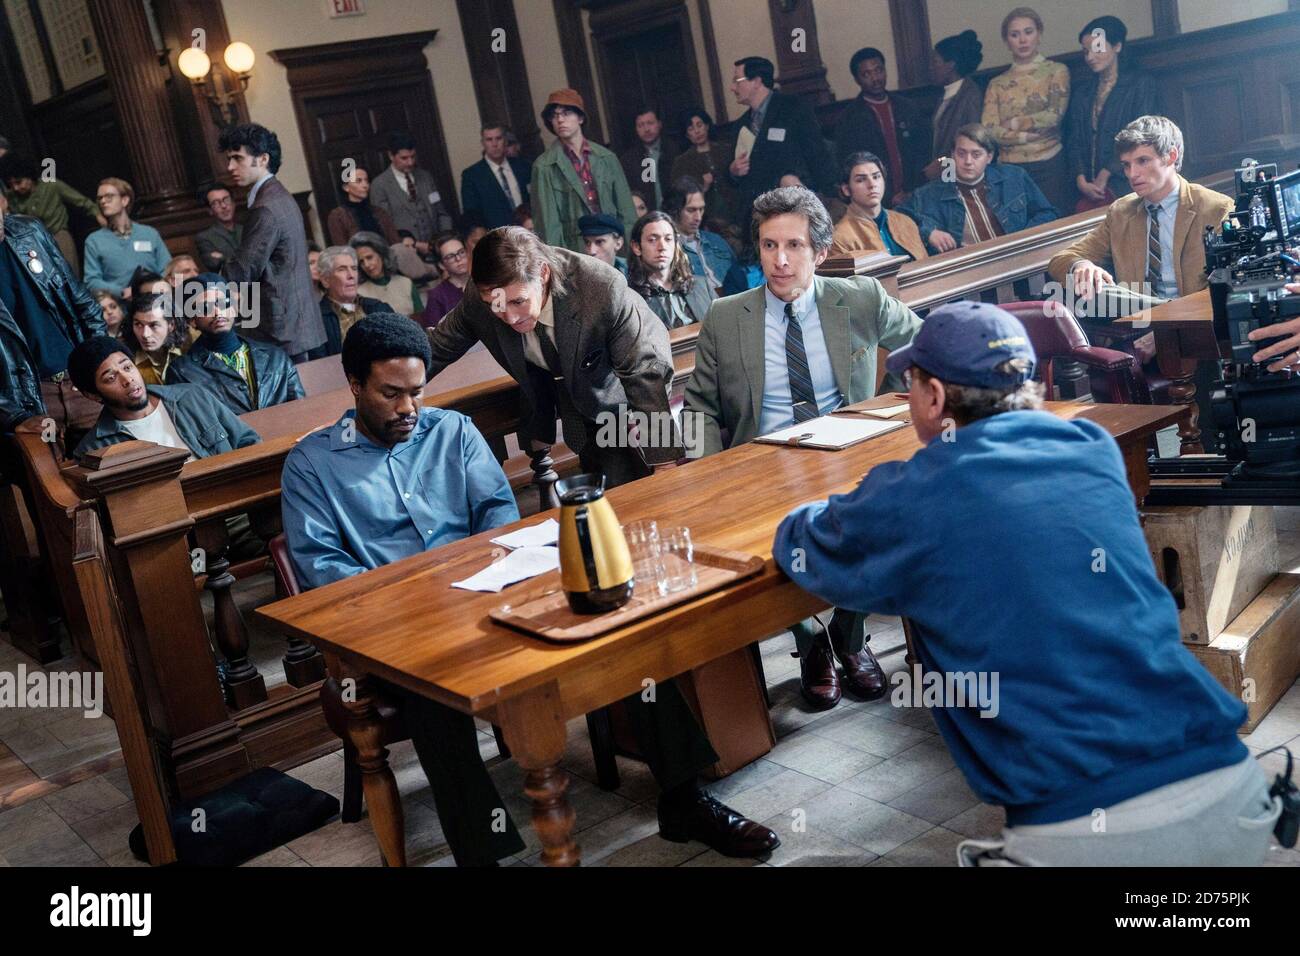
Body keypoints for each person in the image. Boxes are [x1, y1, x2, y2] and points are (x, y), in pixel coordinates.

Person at [773, 301, 1280, 866]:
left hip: (1093, 832)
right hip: (1231, 784)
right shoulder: (1090, 449)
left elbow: (806, 545)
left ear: (935, 398)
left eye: (910, 385)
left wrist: (836, 504)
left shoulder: (916, 493)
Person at [284, 313, 780, 865]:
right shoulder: (313, 464)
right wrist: (420, 602)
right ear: (354, 386)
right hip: (395, 635)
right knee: (432, 700)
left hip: (489, 599)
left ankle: (684, 799)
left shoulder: (452, 432)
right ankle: (483, 856)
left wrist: (480, 577)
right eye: (391, 394)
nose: (409, 409)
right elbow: (321, 570)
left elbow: (499, 520)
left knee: (612, 633)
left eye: (418, 392)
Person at [683, 186, 922, 709]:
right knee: (770, 549)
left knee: (880, 520)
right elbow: (699, 405)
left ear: (819, 250)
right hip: (761, 463)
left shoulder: (859, 298)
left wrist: (911, 404)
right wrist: (705, 474)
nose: (781, 260)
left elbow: (926, 346)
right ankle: (814, 645)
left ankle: (849, 639)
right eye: (769, 246)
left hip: (849, 452)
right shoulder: (727, 316)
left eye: (793, 245)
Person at [427, 225, 679, 486]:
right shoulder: (480, 297)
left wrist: (664, 464)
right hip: (567, 392)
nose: (510, 317)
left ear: (543, 273)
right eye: (497, 306)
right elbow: (437, 347)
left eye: (518, 301)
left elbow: (643, 372)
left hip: (624, 385)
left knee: (629, 484)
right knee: (598, 487)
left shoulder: (600, 287)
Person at [1049, 116, 1233, 305]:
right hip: (1139, 323)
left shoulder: (1217, 209)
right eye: (1126, 165)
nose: (1132, 174)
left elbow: (1229, 286)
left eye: (1143, 161)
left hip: (1199, 321)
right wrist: (1081, 265)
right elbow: (1060, 260)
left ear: (1171, 156)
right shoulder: (1121, 212)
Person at [218, 123, 326, 363]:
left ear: (263, 158)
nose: (230, 167)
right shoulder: (278, 195)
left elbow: (243, 270)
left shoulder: (266, 206)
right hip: (291, 323)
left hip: (279, 328)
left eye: (237, 158)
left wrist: (209, 285)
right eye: (228, 159)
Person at [0, 204, 105, 440]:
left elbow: (80, 298)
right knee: (51, 475)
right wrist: (13, 415)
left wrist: (99, 360)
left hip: (80, 380)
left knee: (123, 463)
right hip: (28, 399)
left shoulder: (30, 230)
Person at [69, 335, 259, 460]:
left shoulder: (191, 396)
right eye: (111, 378)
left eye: (127, 367)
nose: (127, 379)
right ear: (93, 395)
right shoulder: (94, 450)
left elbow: (248, 441)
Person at [900, 124, 1056, 254]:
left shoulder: (1014, 177)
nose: (968, 161)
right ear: (952, 155)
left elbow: (1048, 213)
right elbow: (894, 219)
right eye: (961, 154)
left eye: (976, 155)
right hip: (966, 275)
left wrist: (1024, 238)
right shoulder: (929, 194)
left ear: (989, 157)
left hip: (1018, 260)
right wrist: (928, 233)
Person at [165, 274, 304, 414]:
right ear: (191, 321)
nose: (217, 312)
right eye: (205, 308)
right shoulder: (182, 371)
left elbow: (302, 411)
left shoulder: (275, 357)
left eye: (223, 303)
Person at [982, 7, 1072, 214]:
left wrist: (1012, 124)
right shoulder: (997, 83)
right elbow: (989, 130)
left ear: (1039, 34)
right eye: (1015, 34)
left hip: (1049, 165)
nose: (1022, 40)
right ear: (1007, 41)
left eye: (1028, 32)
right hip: (1009, 168)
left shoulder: (1056, 71)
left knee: (1055, 225)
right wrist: (1026, 136)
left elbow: (1053, 117)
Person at [1065, 16, 1158, 209]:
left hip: (1129, 180)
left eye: (1097, 48)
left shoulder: (1140, 84)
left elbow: (1142, 134)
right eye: (1085, 51)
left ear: (1117, 46)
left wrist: (1106, 173)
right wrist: (1080, 179)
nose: (1090, 57)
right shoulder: (1083, 92)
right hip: (1089, 188)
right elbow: (1074, 139)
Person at [723, 57, 836, 216]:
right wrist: (733, 171)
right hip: (759, 212)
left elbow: (817, 153)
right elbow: (730, 176)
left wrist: (829, 193)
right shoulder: (740, 125)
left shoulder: (792, 108)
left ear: (756, 81)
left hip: (796, 204)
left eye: (737, 80)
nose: (732, 87)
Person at [530, 89, 638, 253]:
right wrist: (562, 264)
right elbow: (548, 226)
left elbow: (627, 212)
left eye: (566, 113)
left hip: (613, 247)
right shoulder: (544, 166)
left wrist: (630, 254)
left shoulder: (606, 158)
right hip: (576, 251)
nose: (560, 119)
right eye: (554, 115)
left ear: (580, 117)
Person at [833, 48, 931, 202]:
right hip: (876, 200)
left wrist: (910, 189)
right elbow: (849, 165)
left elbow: (923, 151)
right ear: (857, 80)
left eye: (879, 70)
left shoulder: (907, 107)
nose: (875, 78)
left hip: (915, 193)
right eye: (867, 74)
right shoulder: (850, 118)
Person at [1, 153, 104, 274]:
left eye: (19, 182)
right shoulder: (12, 197)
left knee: (69, 274)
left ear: (29, 176)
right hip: (33, 244)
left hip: (58, 236)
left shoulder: (51, 186)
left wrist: (99, 215)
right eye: (11, 184)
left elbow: (82, 202)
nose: (16, 188)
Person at [831, 151, 928, 261]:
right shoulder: (840, 238)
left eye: (876, 177)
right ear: (846, 190)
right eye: (861, 180)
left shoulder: (905, 222)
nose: (872, 185)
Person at [83, 177, 170, 297]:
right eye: (99, 198)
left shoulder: (149, 234)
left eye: (109, 196)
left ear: (124, 200)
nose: (103, 201)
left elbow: (167, 269)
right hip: (119, 305)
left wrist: (152, 288)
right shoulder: (94, 241)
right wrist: (122, 292)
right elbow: (91, 281)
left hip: (155, 300)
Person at [369, 131, 453, 256]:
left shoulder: (426, 177)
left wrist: (445, 241)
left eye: (413, 157)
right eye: (404, 158)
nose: (410, 162)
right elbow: (385, 227)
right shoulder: (380, 185)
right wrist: (414, 244)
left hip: (437, 249)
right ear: (391, 156)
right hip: (406, 254)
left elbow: (442, 213)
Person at [627, 212, 713, 329]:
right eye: (652, 240)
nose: (662, 246)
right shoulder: (630, 297)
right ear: (637, 247)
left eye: (668, 239)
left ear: (675, 243)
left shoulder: (702, 286)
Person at [925, 31, 985, 180]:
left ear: (950, 65)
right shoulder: (944, 95)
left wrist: (941, 166)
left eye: (935, 62)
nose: (930, 67)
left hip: (962, 177)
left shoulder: (970, 96)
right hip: (947, 175)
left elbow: (972, 144)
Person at [664, 177, 739, 295]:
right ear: (675, 210)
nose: (698, 217)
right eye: (691, 210)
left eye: (701, 209)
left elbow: (739, 277)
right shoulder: (667, 248)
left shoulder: (717, 241)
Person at [669, 107, 740, 230]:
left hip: (736, 209)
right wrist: (703, 188)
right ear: (687, 134)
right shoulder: (681, 162)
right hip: (706, 219)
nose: (697, 131)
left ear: (707, 126)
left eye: (699, 125)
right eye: (691, 129)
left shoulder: (726, 149)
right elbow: (678, 198)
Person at [316, 245, 388, 356]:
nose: (351, 276)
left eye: (354, 269)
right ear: (326, 280)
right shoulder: (317, 321)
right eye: (342, 269)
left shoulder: (379, 308)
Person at [461, 125, 531, 230]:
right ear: (483, 143)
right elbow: (472, 214)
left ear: (505, 141)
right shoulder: (472, 176)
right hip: (497, 236)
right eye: (489, 140)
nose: (495, 144)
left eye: (498, 138)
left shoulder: (523, 166)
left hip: (528, 232)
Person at [619, 107, 679, 211]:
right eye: (641, 125)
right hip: (647, 215)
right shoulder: (628, 160)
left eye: (650, 123)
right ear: (636, 129)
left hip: (675, 211)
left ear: (659, 124)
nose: (646, 129)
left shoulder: (674, 150)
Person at [351, 232, 423, 316]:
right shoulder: (359, 294)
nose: (366, 265)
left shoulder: (406, 283)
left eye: (369, 257)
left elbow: (422, 319)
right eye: (361, 261)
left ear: (382, 254)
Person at [124, 292, 185, 385]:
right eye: (138, 324)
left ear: (171, 325)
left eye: (153, 325)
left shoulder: (188, 347)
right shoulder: (126, 359)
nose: (145, 334)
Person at [419, 233, 470, 329]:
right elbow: (433, 334)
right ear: (441, 265)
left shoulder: (484, 282)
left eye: (461, 252)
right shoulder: (437, 296)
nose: (458, 259)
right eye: (450, 256)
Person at [194, 184, 243, 273]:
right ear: (210, 211)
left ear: (233, 203)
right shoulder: (204, 237)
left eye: (226, 200)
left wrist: (223, 257)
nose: (224, 206)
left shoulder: (249, 229)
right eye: (216, 203)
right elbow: (214, 264)